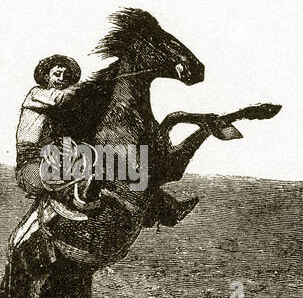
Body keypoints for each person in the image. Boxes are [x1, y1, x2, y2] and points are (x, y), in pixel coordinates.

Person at [15, 54, 196, 227]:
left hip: (57, 157)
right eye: (57, 74)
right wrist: (102, 79)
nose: (62, 78)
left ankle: (164, 208)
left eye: (66, 75)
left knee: (117, 162)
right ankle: (83, 200)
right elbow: (61, 98)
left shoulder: (67, 107)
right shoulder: (37, 94)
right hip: (31, 166)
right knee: (91, 159)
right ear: (46, 76)